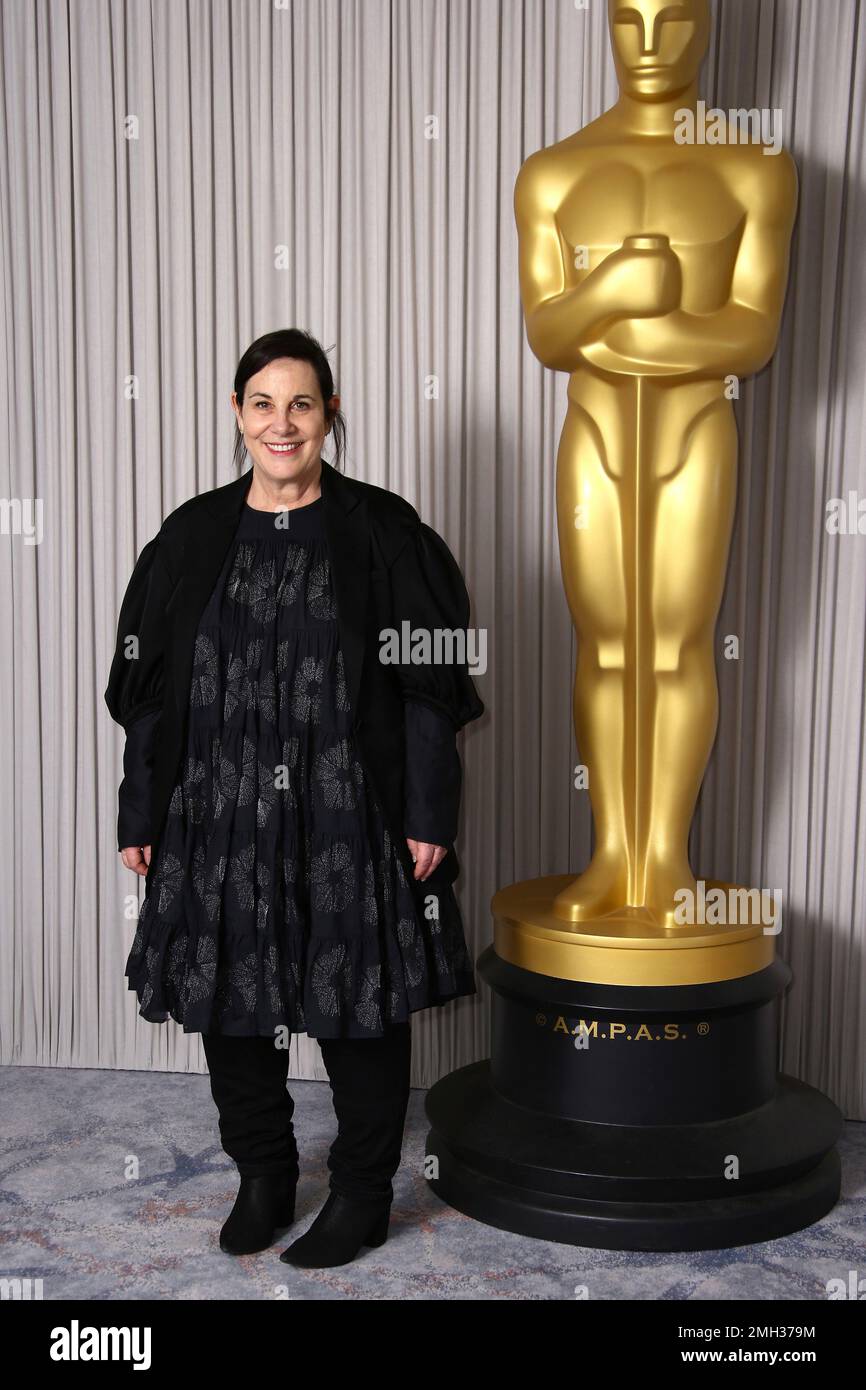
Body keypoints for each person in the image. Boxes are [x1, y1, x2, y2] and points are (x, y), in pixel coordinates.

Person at [104, 328, 484, 1268]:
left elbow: (430, 681)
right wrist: (142, 810)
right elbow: (150, 692)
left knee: (358, 1007)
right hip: (218, 810)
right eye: (263, 404)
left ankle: (360, 1195)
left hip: (350, 812)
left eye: (302, 404)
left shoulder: (386, 534)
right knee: (230, 1003)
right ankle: (264, 1175)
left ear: (330, 416)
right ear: (238, 415)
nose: (282, 423)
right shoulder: (191, 536)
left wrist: (429, 810)